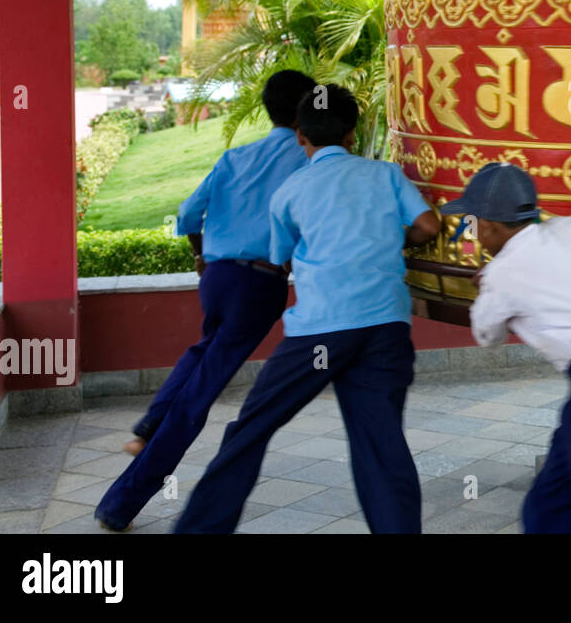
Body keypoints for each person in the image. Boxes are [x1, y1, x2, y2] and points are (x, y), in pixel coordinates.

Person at [174, 83, 440, 533]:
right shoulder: (387, 176)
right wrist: (397, 238)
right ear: (353, 134)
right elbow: (428, 225)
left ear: (301, 135)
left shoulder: (290, 191)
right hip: (386, 325)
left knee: (250, 431)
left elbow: (281, 258)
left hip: (320, 330)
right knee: (381, 443)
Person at [95, 69, 316, 531]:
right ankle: (121, 501)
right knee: (201, 394)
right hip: (260, 283)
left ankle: (151, 423)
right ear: (304, 111)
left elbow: (187, 213)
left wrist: (200, 257)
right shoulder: (306, 159)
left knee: (203, 352)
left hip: (216, 277)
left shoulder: (236, 157)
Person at [443, 161, 571, 534]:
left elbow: (486, 336)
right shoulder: (570, 230)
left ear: (489, 226)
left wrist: (487, 288)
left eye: (471, 223)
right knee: (551, 503)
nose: (471, 232)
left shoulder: (501, 274)